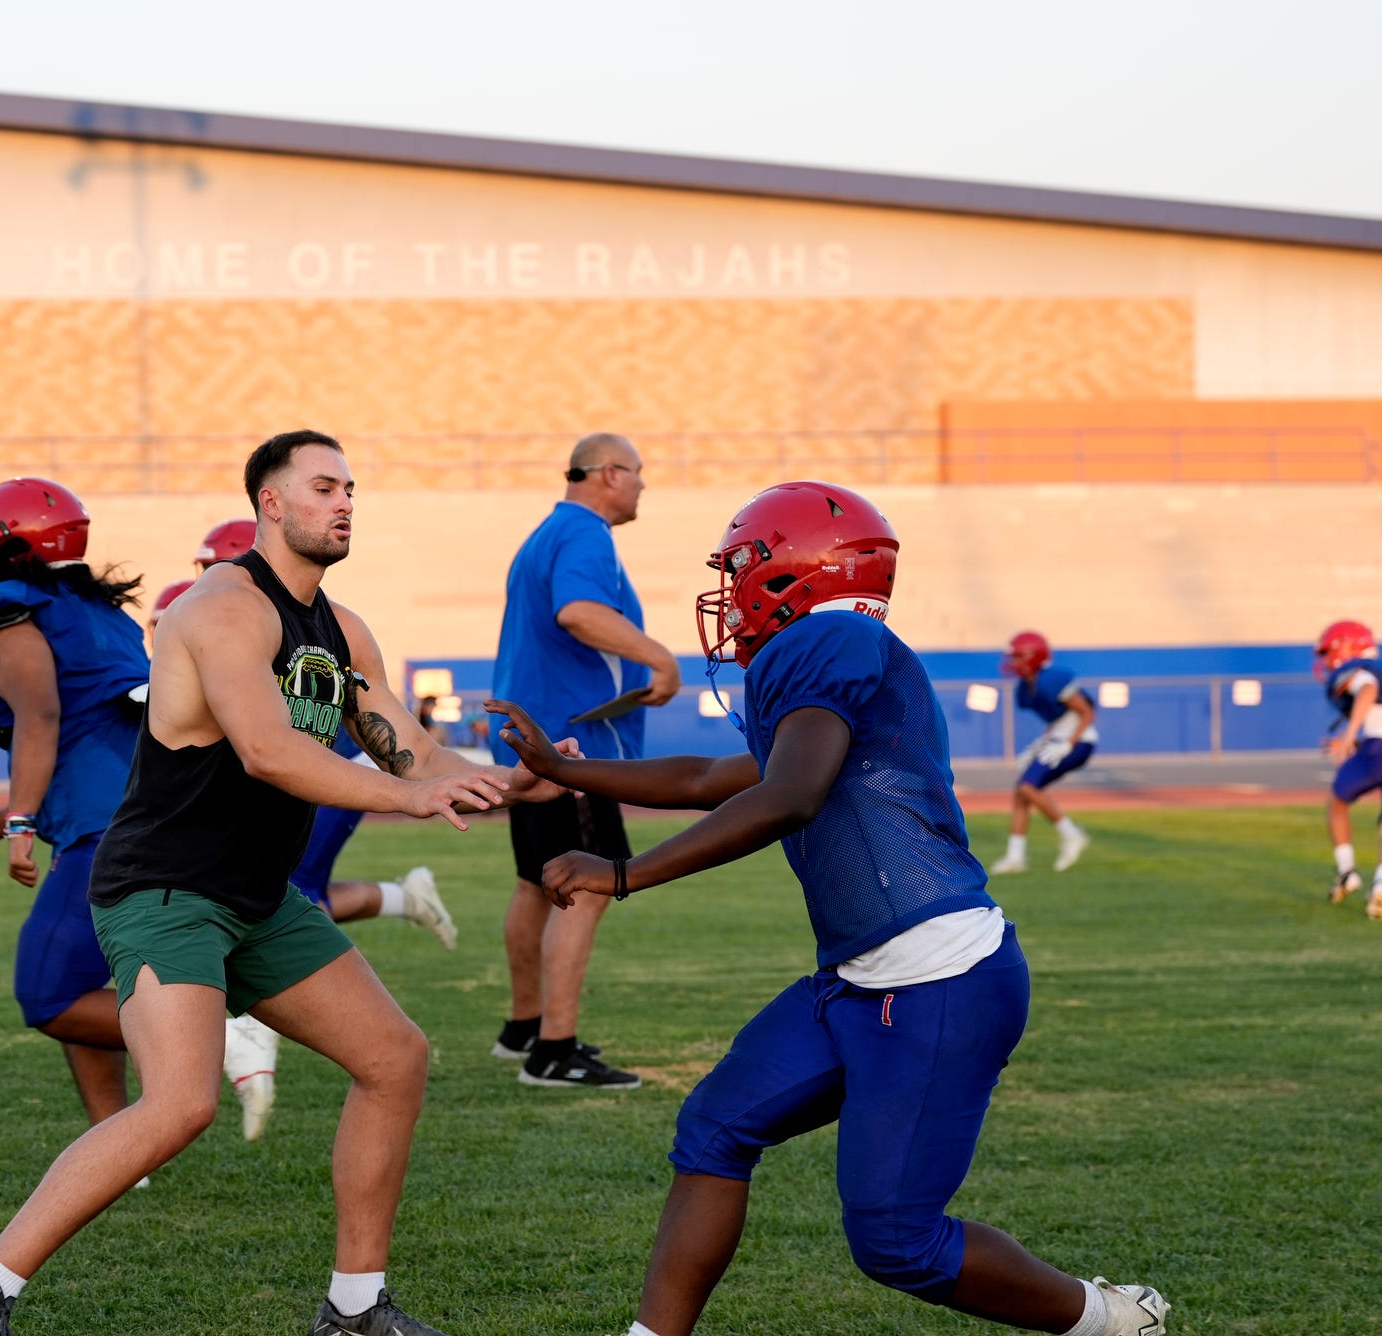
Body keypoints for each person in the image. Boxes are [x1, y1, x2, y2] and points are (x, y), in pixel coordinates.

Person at [486, 479, 1169, 1336]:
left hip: (938, 978)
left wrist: (623, 875)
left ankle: (1110, 1320)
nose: (730, 593)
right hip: (862, 977)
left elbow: (790, 799)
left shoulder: (830, 639)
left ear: (790, 568)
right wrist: (568, 766)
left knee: (896, 1242)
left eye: (742, 568)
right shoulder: (832, 661)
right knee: (713, 1130)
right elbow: (710, 779)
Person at [0, 430, 561, 1336]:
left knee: (394, 1058)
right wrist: (406, 801)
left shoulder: (342, 631)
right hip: (167, 889)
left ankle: (354, 1310)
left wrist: (532, 776)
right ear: (271, 504)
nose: (344, 504)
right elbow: (267, 750)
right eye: (324, 487)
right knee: (182, 1102)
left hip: (257, 897)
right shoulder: (223, 609)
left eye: (351, 490)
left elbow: (416, 751)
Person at [0, 480, 274, 1149]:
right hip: (161, 807)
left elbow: (42, 715)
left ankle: (220, 1038)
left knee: (49, 996)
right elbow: (104, 732)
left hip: (115, 829)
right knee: (86, 981)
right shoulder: (99, 612)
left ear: (12, 541)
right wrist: (11, 810)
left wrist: (20, 824)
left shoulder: (4, 607)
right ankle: (122, 1144)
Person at [488, 431, 679, 1090]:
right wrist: (659, 656)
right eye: (638, 472)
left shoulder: (546, 533)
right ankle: (555, 1049)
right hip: (577, 748)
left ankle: (523, 1029)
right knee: (587, 887)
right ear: (607, 473)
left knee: (535, 885)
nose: (643, 485)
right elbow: (578, 611)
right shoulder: (586, 535)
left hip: (540, 740)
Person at [190, 519, 457, 949]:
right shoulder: (217, 623)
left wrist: (510, 782)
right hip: (289, 772)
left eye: (212, 569)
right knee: (277, 887)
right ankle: (407, 898)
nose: (203, 585)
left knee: (295, 889)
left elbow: (269, 747)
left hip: (341, 761)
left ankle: (267, 1007)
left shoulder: (316, 624)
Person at [988, 632, 1097, 875]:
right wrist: (1042, 742)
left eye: (1017, 656)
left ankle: (1072, 835)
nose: (1012, 662)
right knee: (1021, 792)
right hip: (1058, 739)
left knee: (1028, 787)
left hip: (1080, 741)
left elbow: (1087, 712)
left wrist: (1069, 742)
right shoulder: (1026, 688)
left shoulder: (1052, 679)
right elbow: (1057, 718)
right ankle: (1015, 857)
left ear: (1032, 657)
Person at [1315, 618, 1382, 917]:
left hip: (1377, 749)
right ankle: (1380, 884)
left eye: (1329, 652)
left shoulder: (1355, 672)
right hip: (1373, 744)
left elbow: (1368, 688)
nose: (1327, 660)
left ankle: (1346, 871)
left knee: (1337, 800)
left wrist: (1349, 734)